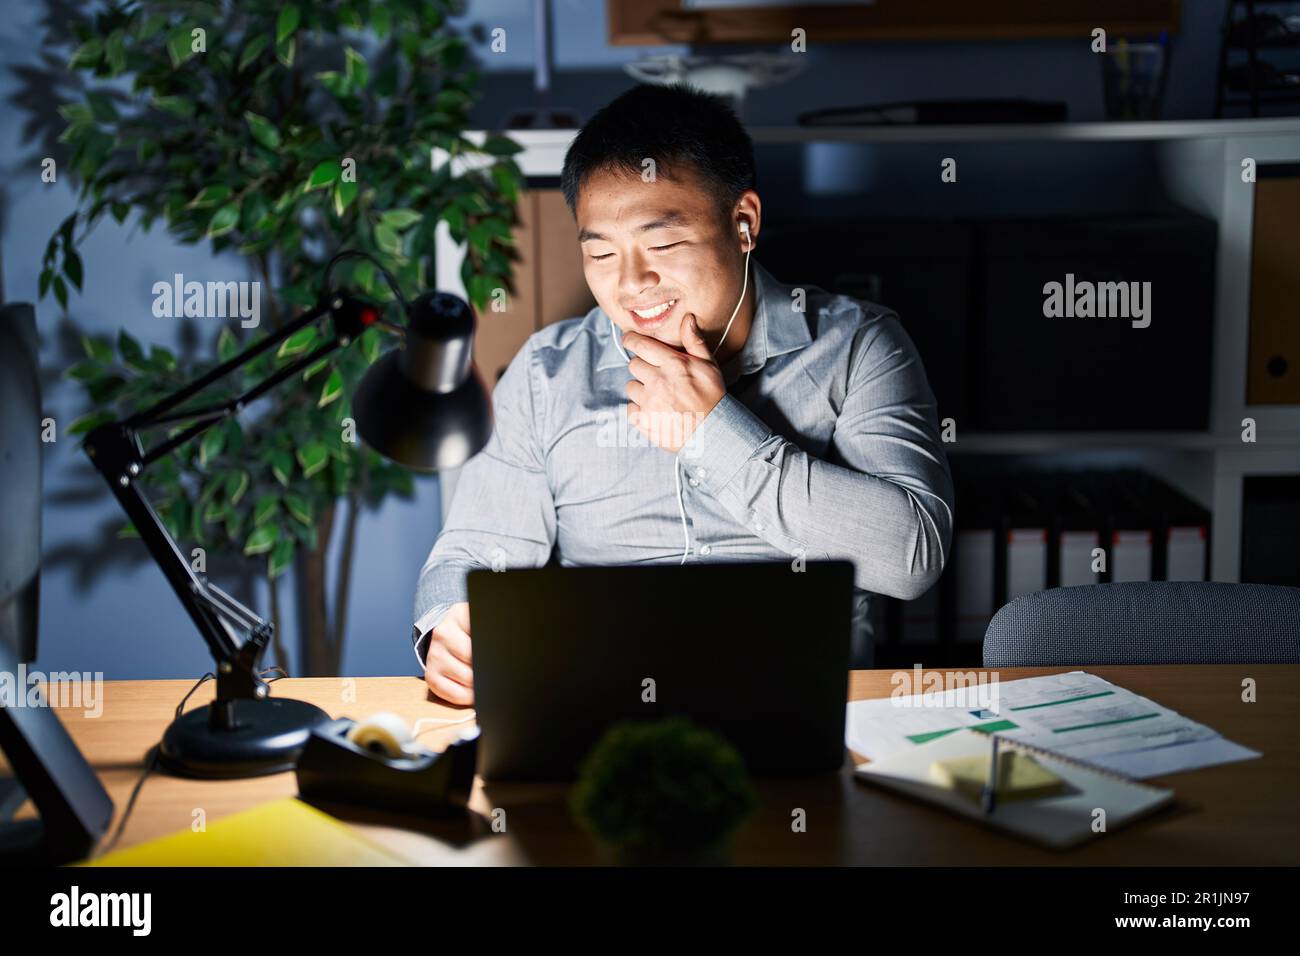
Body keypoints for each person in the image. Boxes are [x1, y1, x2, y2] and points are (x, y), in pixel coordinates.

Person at [412, 83, 954, 704]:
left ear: (743, 223)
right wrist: (447, 626)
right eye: (602, 254)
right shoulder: (545, 372)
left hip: (800, 702)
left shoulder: (858, 346)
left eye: (664, 243)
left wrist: (715, 434)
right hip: (598, 706)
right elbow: (474, 550)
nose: (631, 283)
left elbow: (913, 556)